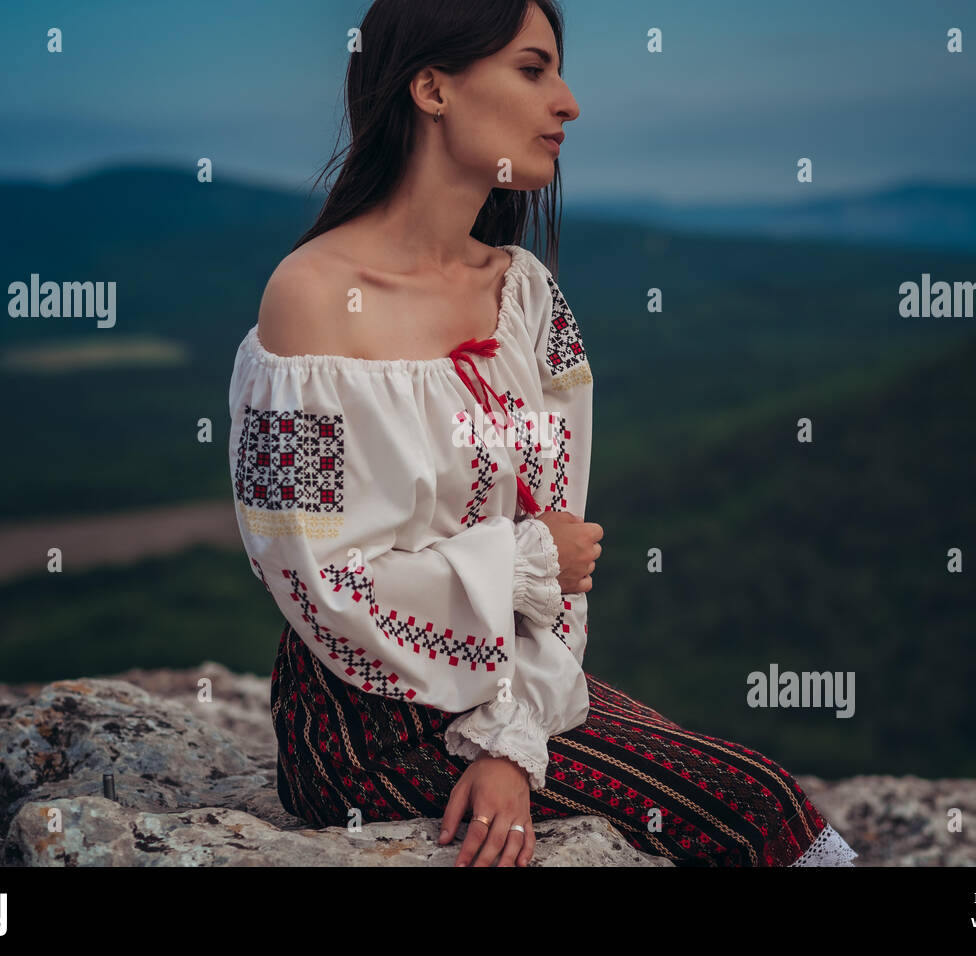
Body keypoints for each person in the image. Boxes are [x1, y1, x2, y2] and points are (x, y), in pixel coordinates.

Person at [227, 0, 857, 867]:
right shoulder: (309, 299)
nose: (567, 103)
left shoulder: (525, 295)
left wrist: (509, 736)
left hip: (508, 681)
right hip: (365, 718)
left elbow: (558, 559)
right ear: (432, 87)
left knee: (763, 789)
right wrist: (521, 572)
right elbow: (315, 580)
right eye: (533, 69)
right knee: (751, 808)